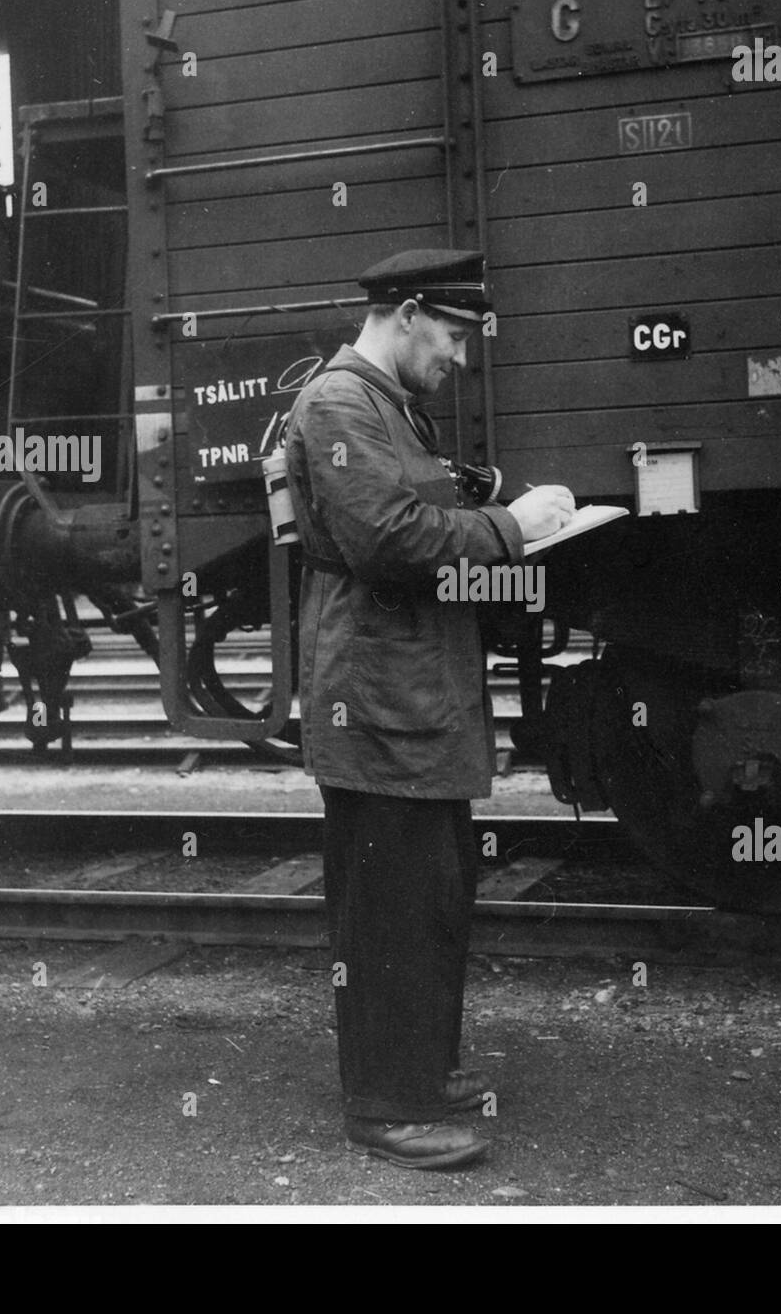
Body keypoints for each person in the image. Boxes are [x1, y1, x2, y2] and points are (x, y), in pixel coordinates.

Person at [284, 249, 574, 1169]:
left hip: (409, 684)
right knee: (391, 904)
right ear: (407, 313)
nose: (459, 356)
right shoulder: (338, 403)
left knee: (434, 893)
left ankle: (421, 1069)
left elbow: (419, 499)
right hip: (375, 695)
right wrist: (514, 529)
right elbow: (390, 539)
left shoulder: (386, 405)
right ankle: (386, 1104)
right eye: (451, 335)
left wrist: (485, 495)